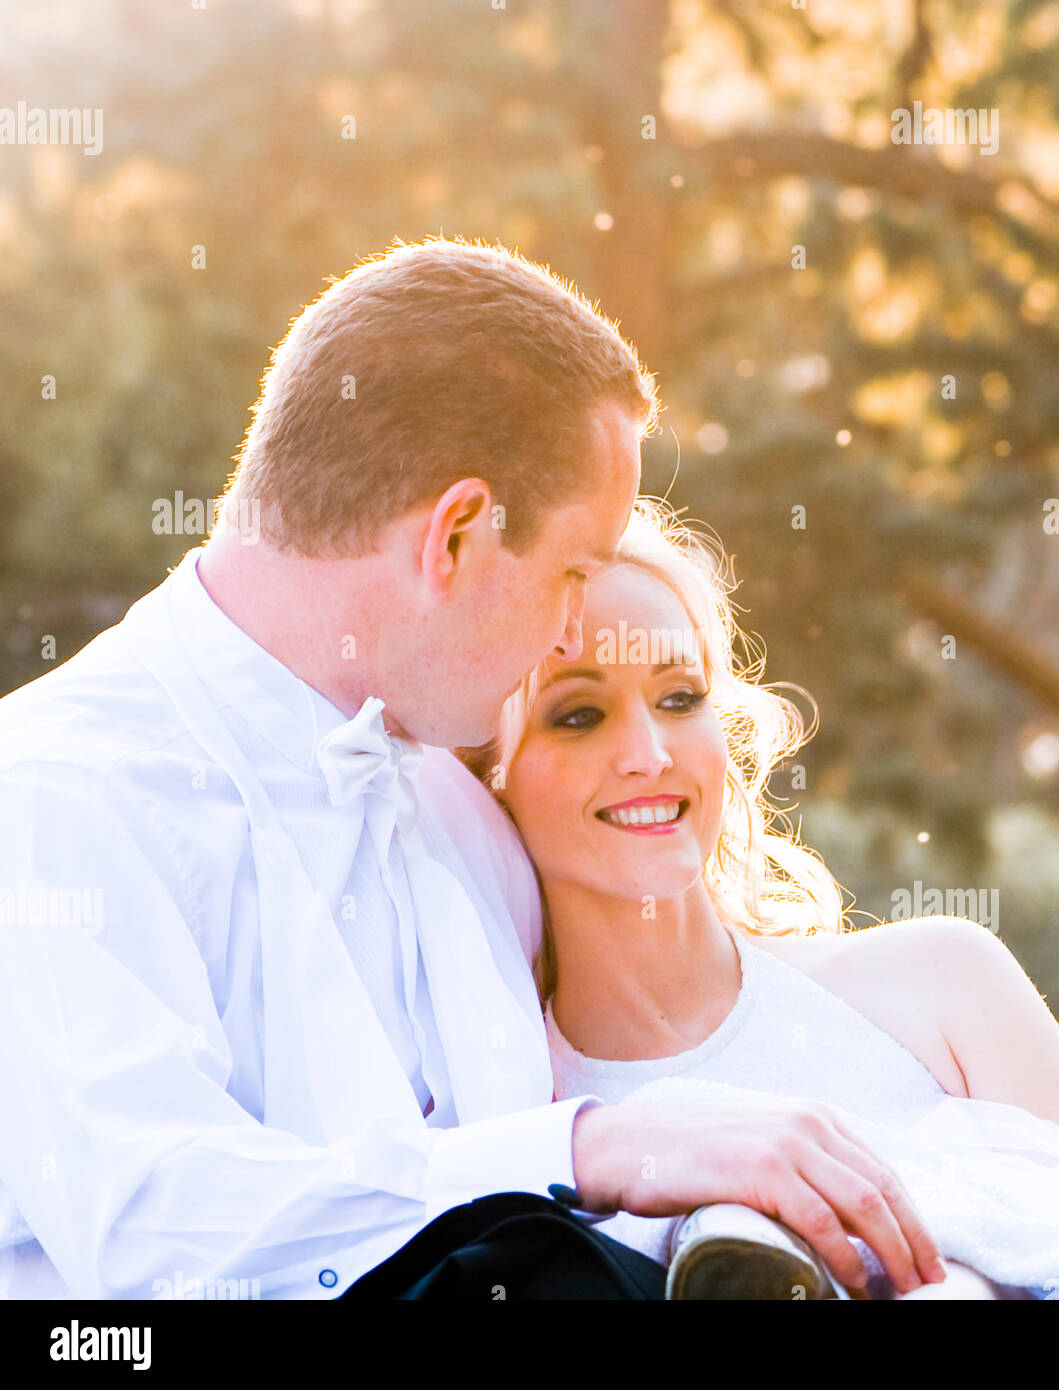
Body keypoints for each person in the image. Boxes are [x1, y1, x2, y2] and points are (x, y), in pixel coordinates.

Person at [1, 233, 952, 1301]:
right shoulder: (51, 799)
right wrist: (584, 1152)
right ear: (452, 537)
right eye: (572, 572)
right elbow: (155, 1237)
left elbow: (675, 1030)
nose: (566, 636)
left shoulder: (470, 820)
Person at [460, 498, 1059, 1300]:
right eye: (578, 715)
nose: (647, 753)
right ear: (486, 783)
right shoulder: (519, 1121)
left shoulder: (943, 984)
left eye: (679, 697)